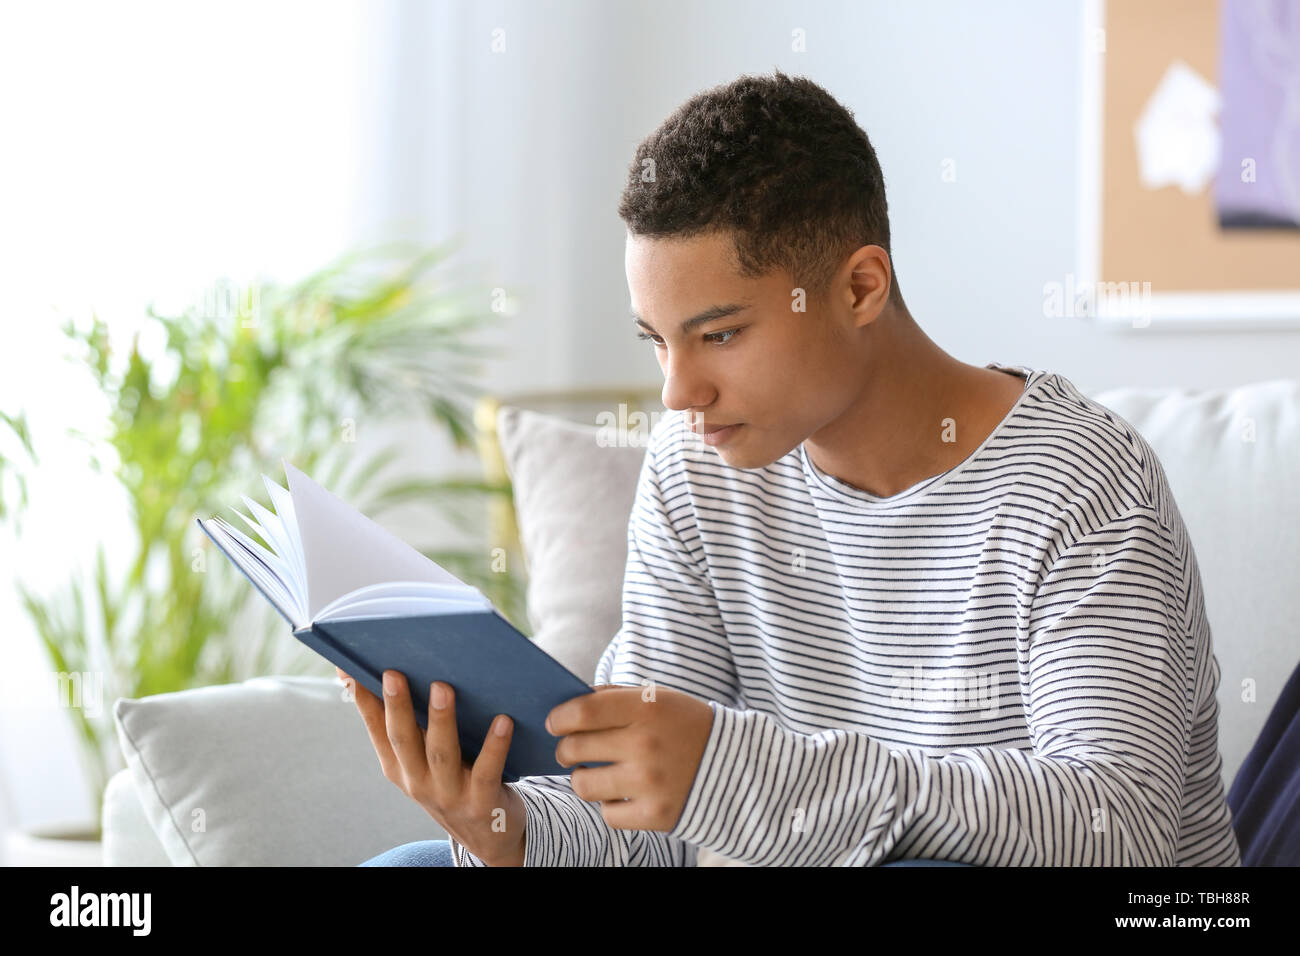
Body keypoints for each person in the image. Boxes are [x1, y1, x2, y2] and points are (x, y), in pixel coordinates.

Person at [350, 70, 1241, 868]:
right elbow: (649, 833)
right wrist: (501, 828)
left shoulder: (1081, 481)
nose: (677, 393)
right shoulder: (698, 471)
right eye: (658, 343)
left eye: (721, 335)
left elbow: (1116, 828)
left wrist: (733, 774)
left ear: (859, 288)